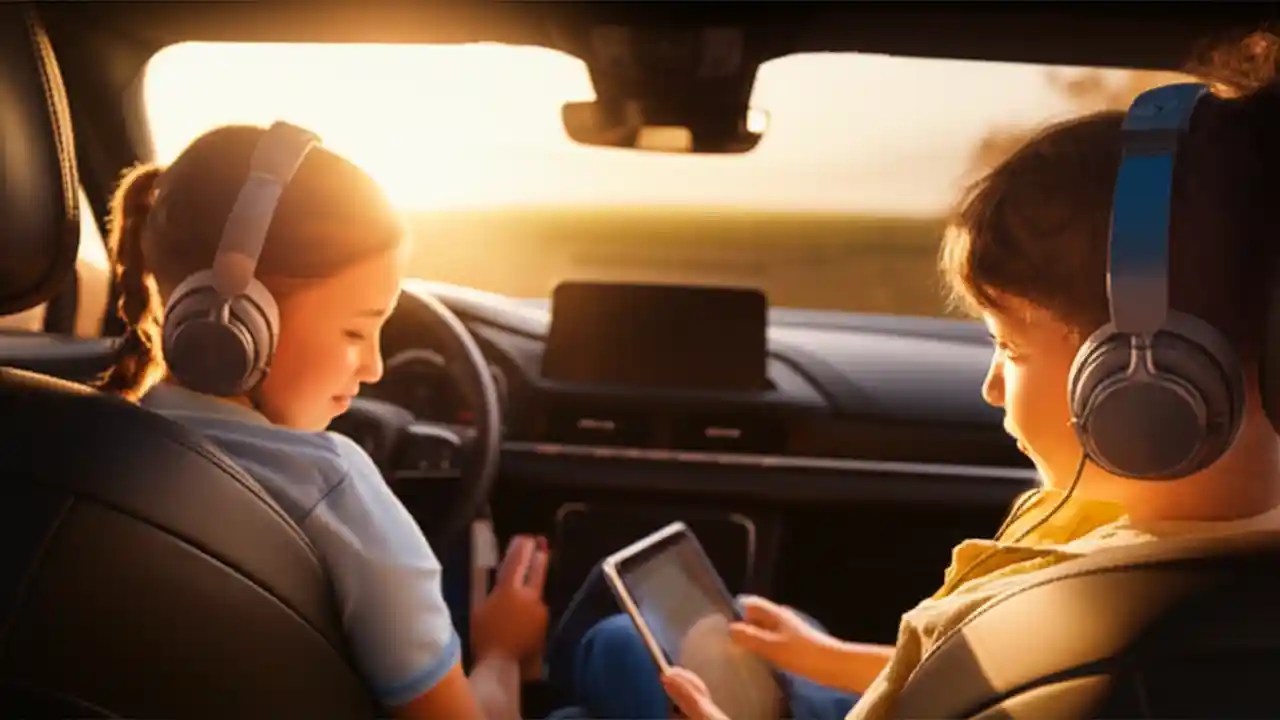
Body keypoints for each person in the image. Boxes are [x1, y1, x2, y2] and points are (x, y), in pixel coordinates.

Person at [554, 31, 1280, 720]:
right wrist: (828, 658)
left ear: (1139, 381)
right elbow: (968, 677)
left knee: (610, 651)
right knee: (720, 633)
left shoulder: (1088, 615)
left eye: (1011, 349)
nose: (991, 386)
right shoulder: (1166, 562)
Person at [96, 124, 549, 720]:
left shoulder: (87, 438)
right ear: (236, 322)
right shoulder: (335, 489)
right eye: (356, 330)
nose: (375, 367)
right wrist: (502, 653)